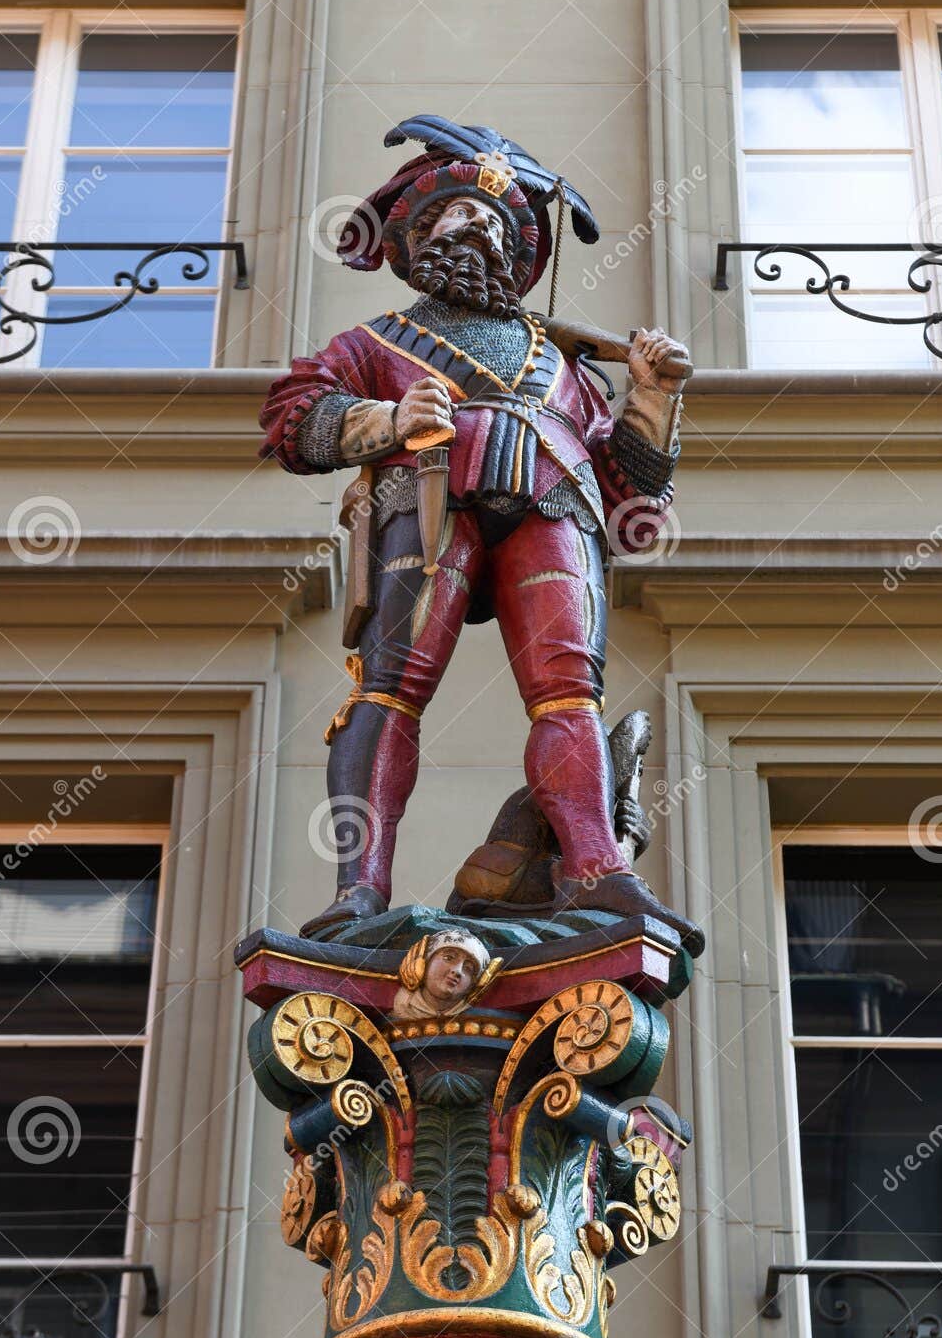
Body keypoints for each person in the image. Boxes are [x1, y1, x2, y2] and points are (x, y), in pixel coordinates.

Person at [259, 118, 703, 959]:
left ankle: (595, 865)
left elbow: (632, 486)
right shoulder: (374, 343)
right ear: (419, 235)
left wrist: (648, 396)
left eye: (496, 224)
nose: (479, 230)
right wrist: (384, 418)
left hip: (555, 500)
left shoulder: (565, 362)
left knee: (568, 689)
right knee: (390, 685)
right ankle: (360, 888)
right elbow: (290, 420)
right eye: (459, 217)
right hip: (426, 497)